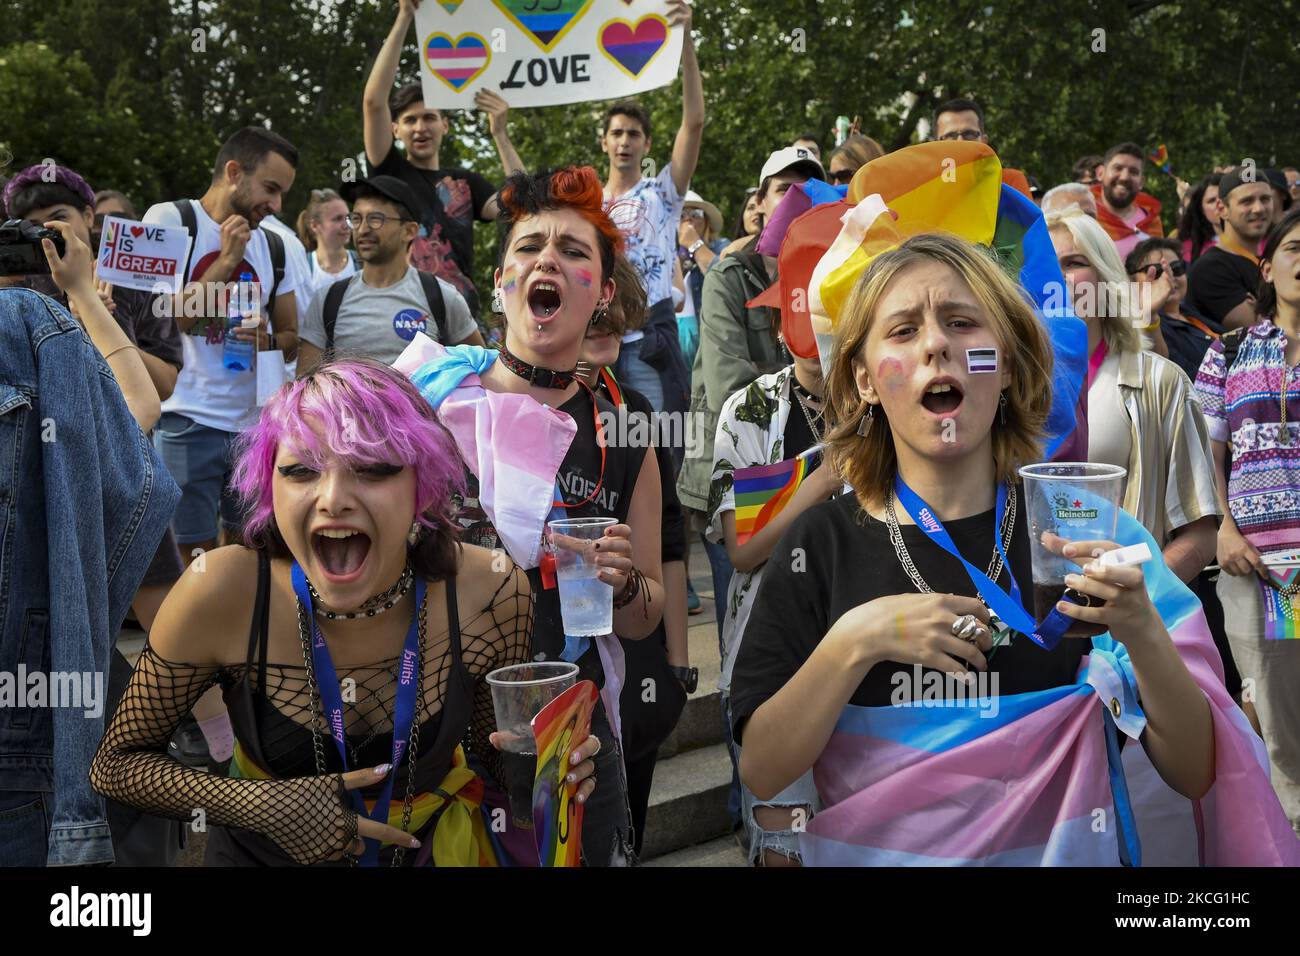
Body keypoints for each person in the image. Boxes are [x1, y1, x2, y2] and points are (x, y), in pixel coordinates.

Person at [729, 231, 1295, 867]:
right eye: (904, 330)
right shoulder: (819, 542)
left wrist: (1139, 628)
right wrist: (856, 640)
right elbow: (764, 771)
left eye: (962, 322)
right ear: (864, 379)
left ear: (1004, 364)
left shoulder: (1089, 534)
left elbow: (1194, 772)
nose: (937, 343)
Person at [89, 356, 601, 865]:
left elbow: (496, 759)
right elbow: (115, 764)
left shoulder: (489, 589)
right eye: (301, 471)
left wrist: (549, 763)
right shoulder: (223, 590)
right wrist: (261, 805)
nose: (333, 498)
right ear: (270, 486)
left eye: (373, 469)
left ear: (421, 486)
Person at [397, 165, 666, 865]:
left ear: (602, 293)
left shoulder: (626, 431)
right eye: (528, 247)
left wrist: (624, 582)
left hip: (571, 744)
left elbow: (646, 615)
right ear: (501, 280)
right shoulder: (423, 401)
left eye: (575, 252)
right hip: (428, 735)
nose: (548, 257)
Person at [678, 145, 825, 646]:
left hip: (817, 471)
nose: (796, 200)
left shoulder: (833, 272)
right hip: (742, 472)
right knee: (742, 625)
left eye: (809, 190)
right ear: (759, 203)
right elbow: (729, 387)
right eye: (784, 189)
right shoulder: (728, 274)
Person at [707, 339, 842, 865]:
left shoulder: (884, 400)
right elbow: (742, 550)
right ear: (780, 329)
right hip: (774, 661)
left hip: (872, 669)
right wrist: (821, 482)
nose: (816, 341)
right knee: (783, 846)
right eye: (801, 320)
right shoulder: (751, 409)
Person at [578, 255, 692, 856]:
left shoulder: (638, 417)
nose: (603, 319)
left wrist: (678, 663)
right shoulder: (510, 412)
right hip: (554, 662)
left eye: (614, 309)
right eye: (590, 306)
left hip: (635, 644)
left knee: (628, 827)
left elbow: (672, 540)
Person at [145, 126, 301, 564]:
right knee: (189, 558)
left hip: (254, 428)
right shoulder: (170, 220)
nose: (276, 205)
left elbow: (292, 341)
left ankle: (246, 634)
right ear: (233, 172)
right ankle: (193, 634)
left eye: (283, 194)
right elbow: (159, 321)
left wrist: (267, 338)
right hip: (185, 418)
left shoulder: (275, 244)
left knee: (252, 555)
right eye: (271, 189)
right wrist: (227, 261)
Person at [1193, 205, 1300, 833]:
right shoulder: (1230, 350)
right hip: (1262, 567)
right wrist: (1225, 529)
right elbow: (1207, 451)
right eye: (1293, 248)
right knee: (1276, 705)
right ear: (1266, 265)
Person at [1046, 207, 1219, 581]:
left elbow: (1200, 533)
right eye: (1044, 262)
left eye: (1073, 262)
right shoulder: (997, 387)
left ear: (1106, 278)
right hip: (1024, 621)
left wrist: (1139, 598)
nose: (1057, 275)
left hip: (1122, 627)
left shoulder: (1161, 382)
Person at [362, 0, 526, 319]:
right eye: (410, 120)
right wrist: (404, 17)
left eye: (430, 117)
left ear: (445, 125)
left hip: (459, 317)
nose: (421, 127)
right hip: (399, 313)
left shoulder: (466, 182)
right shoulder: (388, 170)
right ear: (395, 129)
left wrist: (501, 135)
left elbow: (521, 202)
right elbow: (373, 102)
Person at [598, 0, 702, 417]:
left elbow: (693, 123)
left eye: (634, 134)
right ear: (604, 142)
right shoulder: (585, 203)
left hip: (650, 345)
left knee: (656, 455)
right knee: (601, 458)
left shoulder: (663, 192)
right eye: (617, 133)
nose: (625, 141)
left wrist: (687, 42)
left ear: (647, 145)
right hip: (595, 348)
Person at [297, 176, 481, 373]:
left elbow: (480, 373)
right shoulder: (327, 300)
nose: (363, 229)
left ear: (409, 231)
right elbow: (305, 390)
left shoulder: (442, 297)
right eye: (357, 219)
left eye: (376, 219)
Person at [1186, 167, 1275, 329]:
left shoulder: (1269, 261)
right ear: (1222, 209)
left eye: (1265, 199)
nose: (1259, 208)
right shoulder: (1210, 269)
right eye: (1246, 201)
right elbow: (1264, 333)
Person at [1127, 237, 1224, 381]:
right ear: (1132, 281)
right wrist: (1149, 315)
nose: (1169, 277)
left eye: (1177, 268)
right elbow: (1166, 373)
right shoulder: (1142, 327)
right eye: (1157, 272)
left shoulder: (1194, 311)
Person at [930, 97, 1033, 199]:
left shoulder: (1009, 182)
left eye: (969, 134)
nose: (960, 141)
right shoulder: (923, 188)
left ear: (984, 142)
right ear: (935, 145)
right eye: (950, 136)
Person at [1090, 142, 1165, 259]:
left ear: (1141, 182)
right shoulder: (1084, 216)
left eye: (1133, 172)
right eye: (1118, 168)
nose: (1124, 177)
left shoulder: (1151, 221)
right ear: (1100, 173)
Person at [296, 188, 359, 299]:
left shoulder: (361, 264)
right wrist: (254, 314)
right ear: (314, 225)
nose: (347, 225)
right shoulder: (302, 267)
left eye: (348, 218)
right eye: (338, 219)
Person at [1177, 173, 1223, 263]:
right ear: (1201, 209)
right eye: (1212, 201)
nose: (1219, 205)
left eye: (1224, 197)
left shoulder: (1256, 241)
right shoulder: (1186, 249)